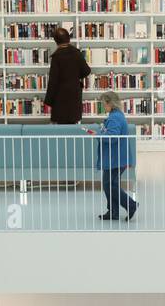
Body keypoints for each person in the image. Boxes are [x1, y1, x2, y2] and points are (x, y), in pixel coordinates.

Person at [87, 91, 138, 221]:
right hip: (117, 157)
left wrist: (98, 135)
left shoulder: (114, 118)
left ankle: (131, 205)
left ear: (110, 103)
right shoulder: (117, 115)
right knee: (110, 184)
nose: (103, 106)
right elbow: (111, 133)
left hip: (115, 158)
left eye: (104, 104)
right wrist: (101, 131)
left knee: (110, 185)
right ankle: (113, 212)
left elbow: (112, 137)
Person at [42, 27, 90, 125]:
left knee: (61, 127)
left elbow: (53, 81)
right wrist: (75, 76)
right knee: (73, 124)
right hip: (74, 95)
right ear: (68, 38)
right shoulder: (77, 53)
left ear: (56, 41)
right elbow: (87, 71)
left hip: (60, 97)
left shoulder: (56, 57)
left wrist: (48, 101)